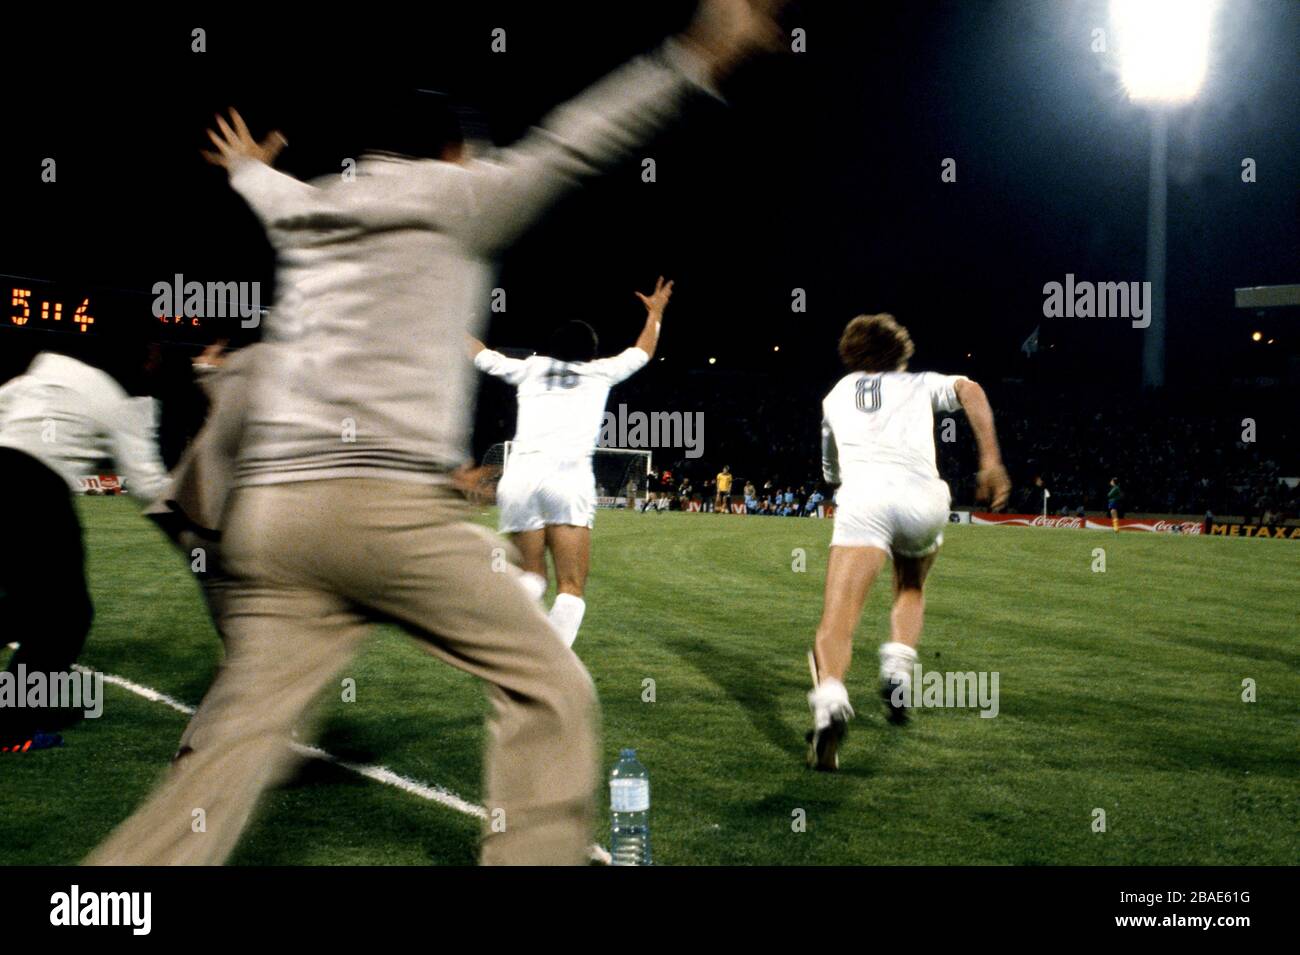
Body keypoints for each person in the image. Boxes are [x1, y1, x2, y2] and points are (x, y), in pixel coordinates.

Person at [86, 0, 789, 867]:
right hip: (378, 509)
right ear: (453, 149)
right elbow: (577, 140)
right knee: (549, 689)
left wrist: (243, 167)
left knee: (228, 753)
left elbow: (266, 190)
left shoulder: (315, 206)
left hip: (272, 518)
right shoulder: (463, 196)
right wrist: (695, 55)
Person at [806, 313, 1010, 771]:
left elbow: (830, 467)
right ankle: (898, 668)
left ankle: (831, 700)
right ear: (900, 351)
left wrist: (840, 477)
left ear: (851, 354)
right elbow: (970, 389)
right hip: (924, 498)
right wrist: (991, 460)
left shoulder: (835, 394)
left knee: (838, 620)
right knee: (911, 585)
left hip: (865, 497)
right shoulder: (920, 383)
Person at [469, 276, 673, 648]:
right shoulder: (599, 373)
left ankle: (501, 631)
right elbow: (643, 351)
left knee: (531, 577)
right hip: (568, 478)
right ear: (591, 354)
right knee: (571, 587)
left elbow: (479, 354)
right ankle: (550, 664)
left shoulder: (530, 368)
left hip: (521, 476)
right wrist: (655, 313)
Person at [0, 349, 169, 751]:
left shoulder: (29, 382)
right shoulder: (112, 396)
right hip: (34, 491)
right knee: (66, 616)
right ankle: (11, 729)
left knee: (27, 608)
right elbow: (145, 483)